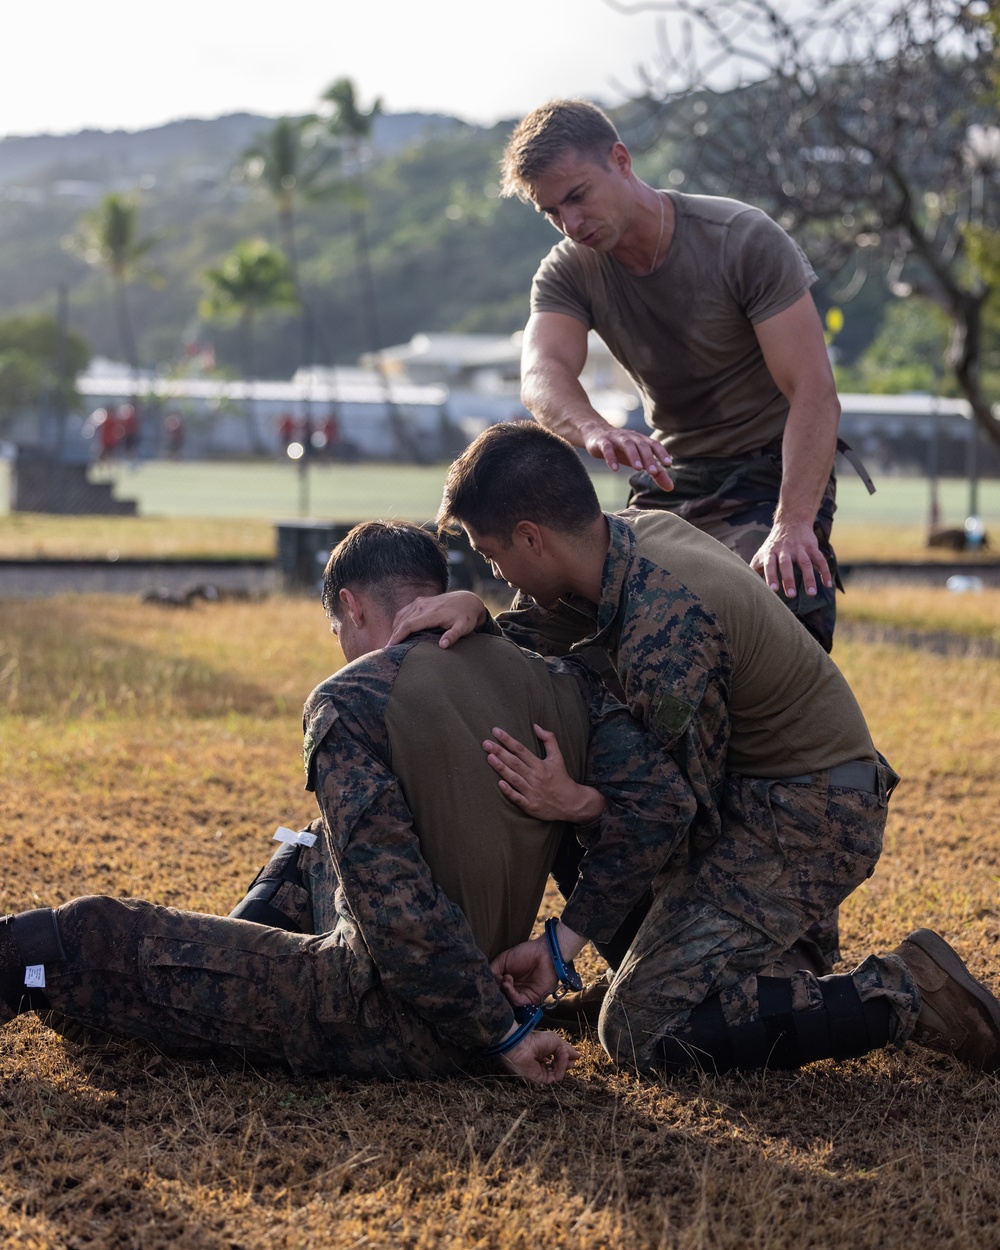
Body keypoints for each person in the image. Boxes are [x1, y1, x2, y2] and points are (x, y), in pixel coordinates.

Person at [387, 422, 1000, 1077]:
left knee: (639, 1029)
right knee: (576, 773)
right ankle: (699, 973)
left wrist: (565, 921)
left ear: (532, 538)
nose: (496, 573)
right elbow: (539, 649)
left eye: (491, 557)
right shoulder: (619, 543)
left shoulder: (665, 627)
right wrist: (479, 615)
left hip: (809, 818)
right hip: (757, 794)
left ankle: (908, 991)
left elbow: (669, 817)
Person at [0, 521, 690, 1086]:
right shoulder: (557, 680)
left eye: (338, 628)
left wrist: (501, 1034)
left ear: (353, 608)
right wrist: (560, 944)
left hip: (394, 1017)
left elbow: (404, 919)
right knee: (313, 842)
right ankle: (214, 976)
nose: (342, 646)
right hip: (478, 991)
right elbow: (662, 804)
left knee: (83, 932)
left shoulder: (350, 697)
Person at [501, 98, 872, 656]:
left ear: (620, 160)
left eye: (577, 196)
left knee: (773, 608)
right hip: (673, 475)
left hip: (772, 468)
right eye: (551, 211)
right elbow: (541, 371)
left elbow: (814, 391)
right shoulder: (568, 270)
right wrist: (595, 429)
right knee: (550, 613)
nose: (571, 224)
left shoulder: (741, 239)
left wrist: (794, 524)